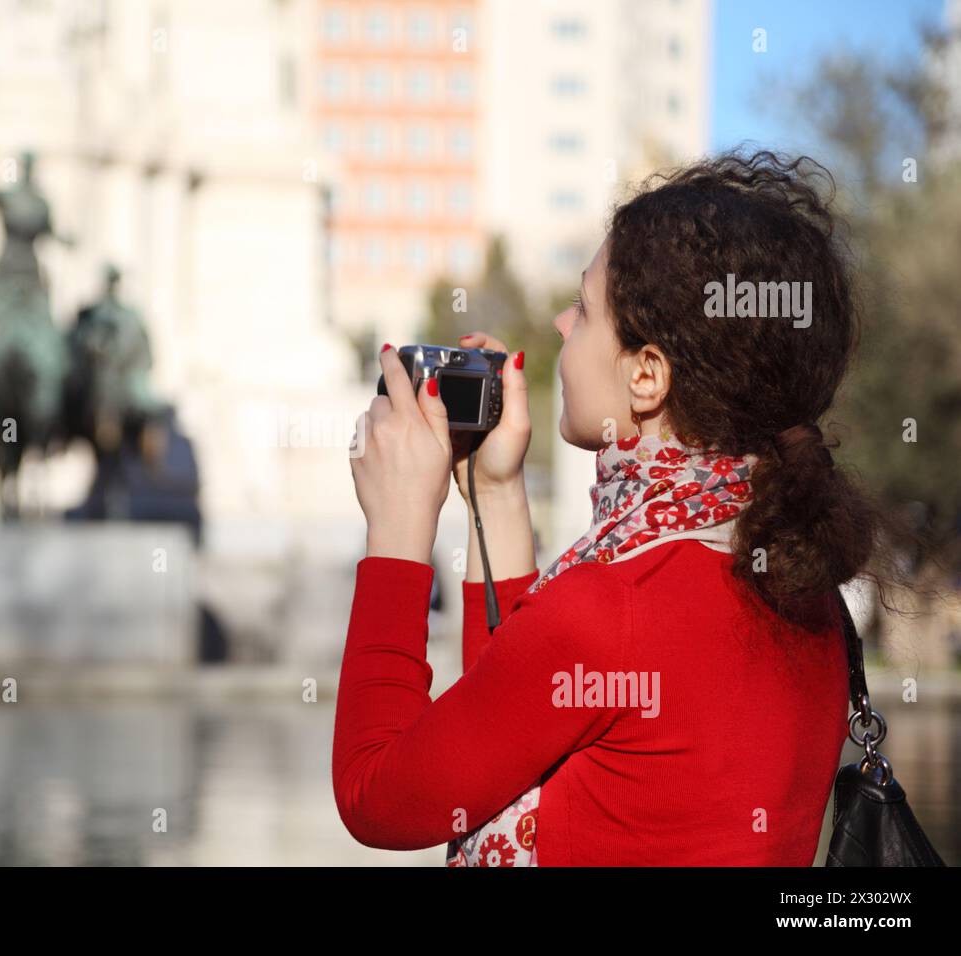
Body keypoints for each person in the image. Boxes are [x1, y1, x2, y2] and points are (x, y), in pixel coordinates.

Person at [334, 150, 887, 866]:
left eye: (586, 309)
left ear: (648, 373)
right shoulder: (801, 587)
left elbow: (377, 796)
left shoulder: (612, 609)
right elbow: (505, 736)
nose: (562, 325)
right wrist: (497, 493)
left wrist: (397, 532)